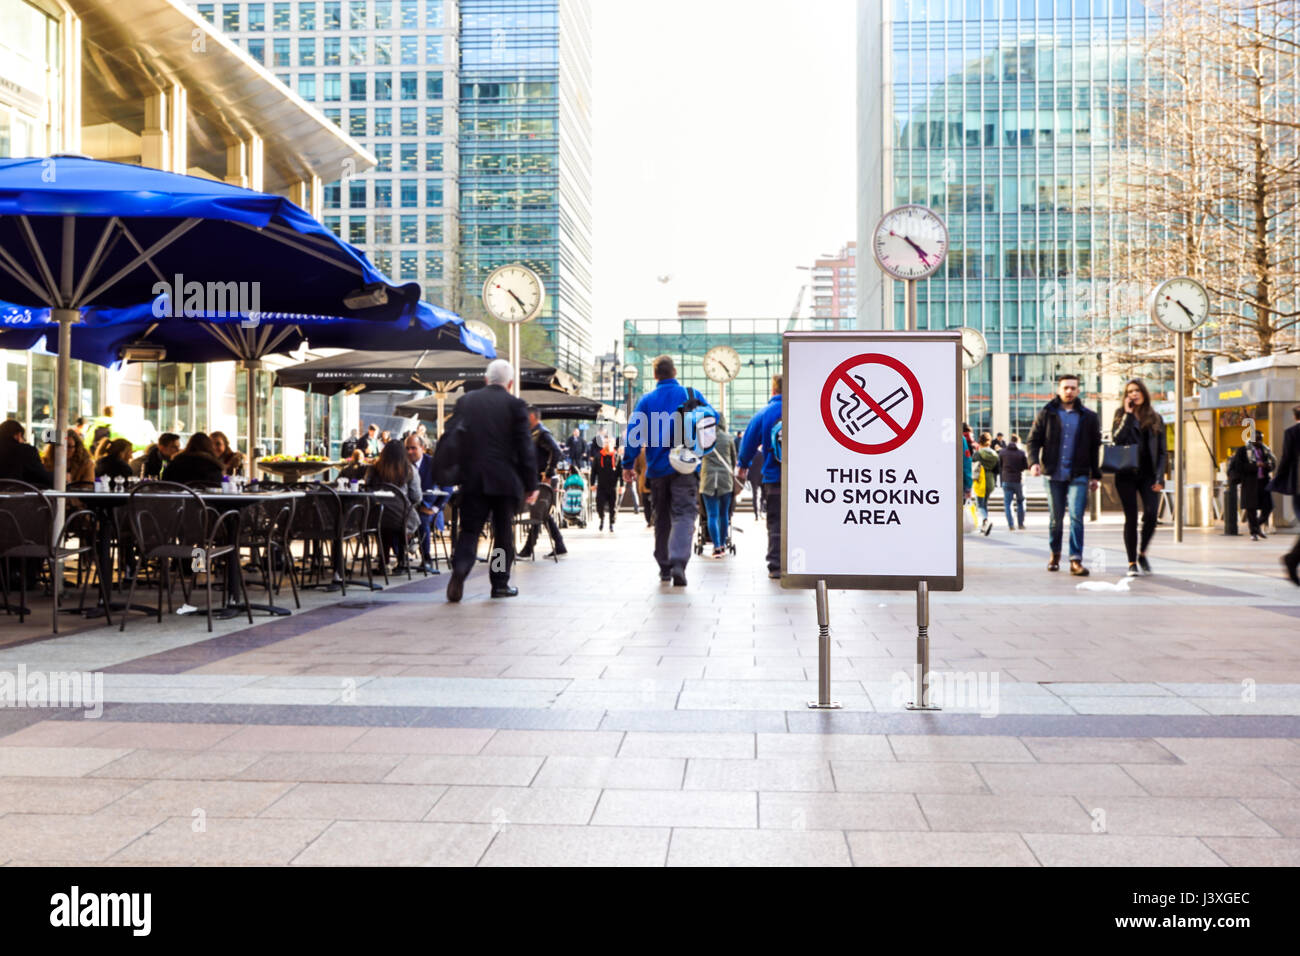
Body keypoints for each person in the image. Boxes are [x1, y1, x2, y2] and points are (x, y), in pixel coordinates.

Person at [445, 358, 539, 601]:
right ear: (509, 384)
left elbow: (454, 437)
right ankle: (499, 584)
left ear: (486, 379)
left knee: (469, 531)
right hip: (504, 482)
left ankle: (460, 569)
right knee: (502, 534)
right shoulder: (515, 406)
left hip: (473, 479)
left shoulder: (466, 401)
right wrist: (531, 484)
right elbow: (525, 447)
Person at [622, 355, 718, 586]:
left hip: (657, 470)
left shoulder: (646, 401)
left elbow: (634, 434)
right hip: (686, 466)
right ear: (674, 372)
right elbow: (712, 418)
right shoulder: (690, 394)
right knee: (685, 513)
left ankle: (664, 566)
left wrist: (628, 465)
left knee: (662, 517)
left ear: (655, 375)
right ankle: (678, 561)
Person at [1027, 373, 1102, 575]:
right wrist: (1034, 462)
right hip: (1053, 473)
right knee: (1056, 518)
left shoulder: (1089, 417)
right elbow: (1033, 440)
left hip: (1079, 474)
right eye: (1065, 388)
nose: (1069, 391)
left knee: (1077, 517)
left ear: (1078, 391)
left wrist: (1095, 475)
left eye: (1073, 388)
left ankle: (1075, 560)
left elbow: (1095, 447)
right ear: (1058, 390)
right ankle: (1055, 554)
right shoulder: (1047, 413)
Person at [1111, 378, 1168, 575]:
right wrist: (1127, 416)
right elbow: (1117, 439)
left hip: (1148, 474)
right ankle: (1131, 562)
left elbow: (1162, 451)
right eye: (1129, 392)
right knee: (1131, 517)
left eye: (1136, 391)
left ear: (1143, 392)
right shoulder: (1120, 415)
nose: (1133, 394)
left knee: (1151, 514)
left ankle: (1142, 552)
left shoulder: (1156, 418)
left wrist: (1160, 478)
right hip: (1126, 473)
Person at [737, 373, 783, 580]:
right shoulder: (803, 409)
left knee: (775, 521)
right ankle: (800, 561)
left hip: (774, 477)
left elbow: (748, 443)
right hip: (802, 481)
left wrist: (742, 465)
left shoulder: (765, 413)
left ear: (773, 390)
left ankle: (775, 565)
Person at [518, 407, 568, 558]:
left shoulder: (542, 433)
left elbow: (557, 451)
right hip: (537, 478)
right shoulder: (534, 433)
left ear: (533, 417)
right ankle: (559, 544)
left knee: (538, 513)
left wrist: (548, 472)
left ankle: (528, 549)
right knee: (543, 514)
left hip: (542, 479)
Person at [366, 438, 421, 571]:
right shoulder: (409, 470)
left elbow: (367, 488)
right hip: (401, 517)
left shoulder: (374, 468)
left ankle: (383, 563)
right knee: (402, 520)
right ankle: (404, 556)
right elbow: (416, 496)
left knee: (384, 526)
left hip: (376, 516)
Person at [1269, 404, 1300, 585]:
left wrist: (1278, 480)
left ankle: (1292, 559)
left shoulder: (1291, 433)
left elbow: (1286, 459)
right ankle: (1292, 559)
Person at [700, 413, 737, 557]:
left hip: (708, 480)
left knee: (712, 514)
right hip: (725, 481)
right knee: (723, 515)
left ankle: (716, 547)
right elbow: (734, 461)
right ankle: (722, 544)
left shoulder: (703, 438)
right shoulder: (728, 439)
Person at [1228, 433, 1276, 542]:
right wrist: (1256, 466)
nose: (1259, 442)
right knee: (1251, 509)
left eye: (1261, 440)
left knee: (1268, 506)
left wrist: (1267, 466)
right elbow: (1240, 467)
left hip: (1263, 482)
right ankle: (1254, 532)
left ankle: (1256, 526)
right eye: (1258, 440)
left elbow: (1271, 463)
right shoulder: (1243, 450)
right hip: (1250, 483)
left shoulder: (1264, 450)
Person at [405, 433, 440, 573]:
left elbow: (447, 487)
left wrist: (436, 508)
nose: (409, 452)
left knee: (422, 520)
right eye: (407, 448)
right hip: (407, 507)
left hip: (427, 506)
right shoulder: (402, 464)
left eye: (413, 448)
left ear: (423, 448)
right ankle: (399, 558)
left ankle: (426, 558)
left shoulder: (433, 463)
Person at [0, 419, 53, 487]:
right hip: (18, 495)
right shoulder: (25, 451)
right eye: (23, 437)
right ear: (18, 435)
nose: (24, 441)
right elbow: (44, 477)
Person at [161, 432, 226, 486]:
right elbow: (218, 486)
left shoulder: (176, 462)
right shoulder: (214, 466)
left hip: (179, 500)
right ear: (209, 447)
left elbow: (164, 482)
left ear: (189, 445)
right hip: (206, 501)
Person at [998, 433, 1029, 531]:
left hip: (1006, 480)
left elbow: (1000, 465)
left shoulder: (1002, 452)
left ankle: (1011, 525)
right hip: (1018, 480)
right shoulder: (1021, 453)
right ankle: (1021, 524)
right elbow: (1025, 466)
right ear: (1018, 442)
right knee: (1021, 502)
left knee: (1008, 503)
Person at [591, 434, 621, 532]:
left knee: (613, 507)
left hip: (613, 486)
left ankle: (611, 523)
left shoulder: (616, 457)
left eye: (609, 442)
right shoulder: (598, 456)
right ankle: (602, 519)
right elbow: (593, 471)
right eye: (606, 442)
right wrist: (592, 484)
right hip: (601, 486)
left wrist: (621, 485)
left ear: (613, 444)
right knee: (599, 505)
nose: (607, 444)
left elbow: (620, 472)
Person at [973, 433, 999, 535]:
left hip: (980, 480)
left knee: (980, 505)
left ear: (980, 442)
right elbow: (997, 470)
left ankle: (985, 521)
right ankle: (984, 527)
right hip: (990, 480)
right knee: (985, 503)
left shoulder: (977, 454)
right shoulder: (995, 454)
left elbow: (974, 468)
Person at [634, 447, 652, 527]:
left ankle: (648, 519)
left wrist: (640, 473)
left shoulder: (640, 452)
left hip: (643, 478)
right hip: (657, 478)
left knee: (646, 502)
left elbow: (636, 467)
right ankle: (654, 517)